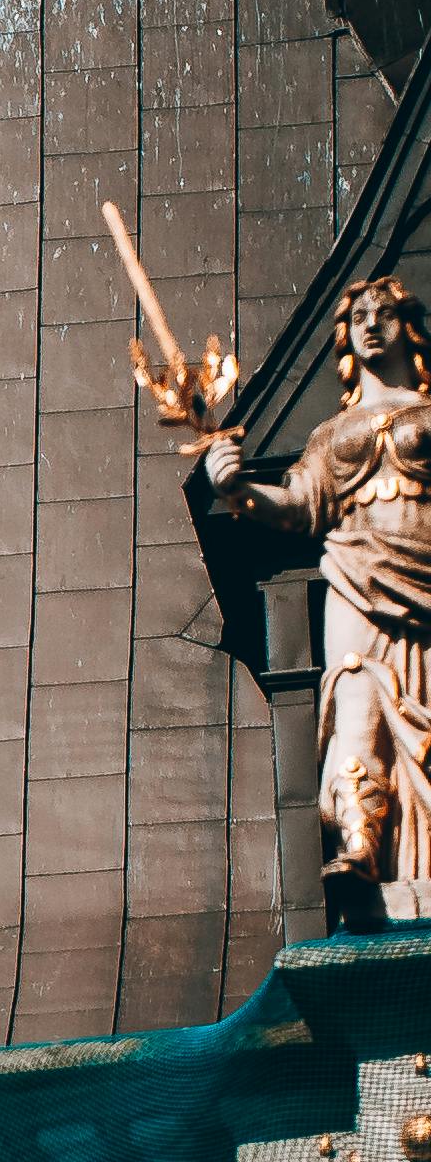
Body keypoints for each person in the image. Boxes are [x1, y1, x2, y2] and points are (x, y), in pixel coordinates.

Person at [199, 271, 431, 913]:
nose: (370, 322)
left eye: (383, 311)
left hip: (427, 587)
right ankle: (359, 844)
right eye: (359, 315)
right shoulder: (332, 435)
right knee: (355, 691)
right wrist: (236, 489)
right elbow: (299, 504)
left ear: (407, 326)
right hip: (357, 582)